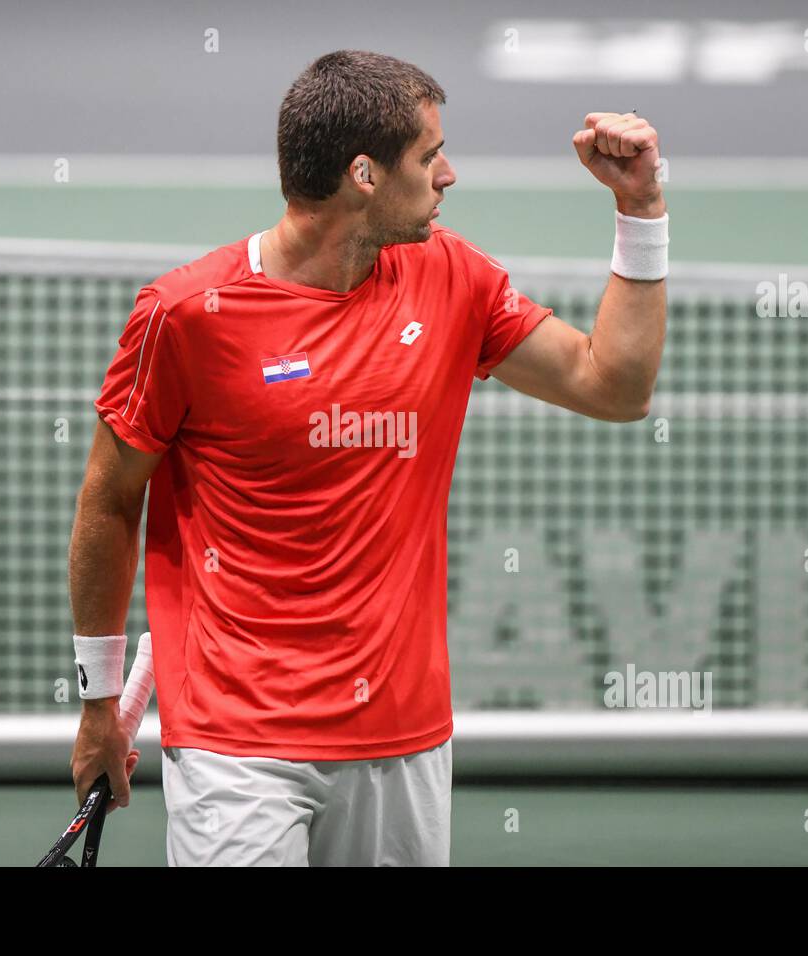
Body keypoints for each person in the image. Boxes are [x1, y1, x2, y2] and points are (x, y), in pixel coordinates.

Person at [66, 49, 667, 866]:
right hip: (238, 739)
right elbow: (108, 500)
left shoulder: (451, 277)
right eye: (429, 156)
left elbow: (615, 386)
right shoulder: (185, 316)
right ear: (364, 174)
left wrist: (641, 208)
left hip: (400, 739)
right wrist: (99, 702)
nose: (448, 175)